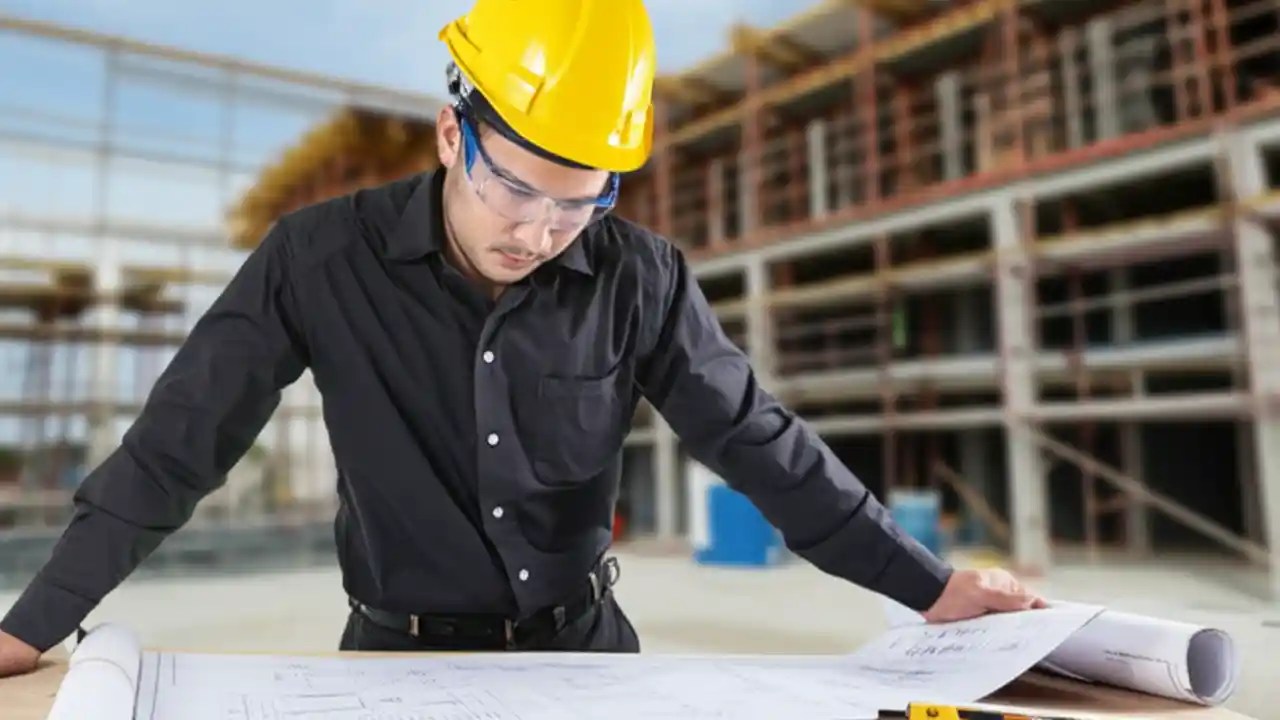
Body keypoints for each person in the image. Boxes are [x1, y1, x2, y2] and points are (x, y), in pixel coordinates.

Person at [0, 0, 1044, 676]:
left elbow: (755, 444)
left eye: (577, 205)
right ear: (452, 135)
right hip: (390, 666)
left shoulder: (640, 275)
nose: (538, 232)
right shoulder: (317, 260)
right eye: (515, 189)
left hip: (586, 654)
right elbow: (177, 446)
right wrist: (32, 622)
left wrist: (926, 583)